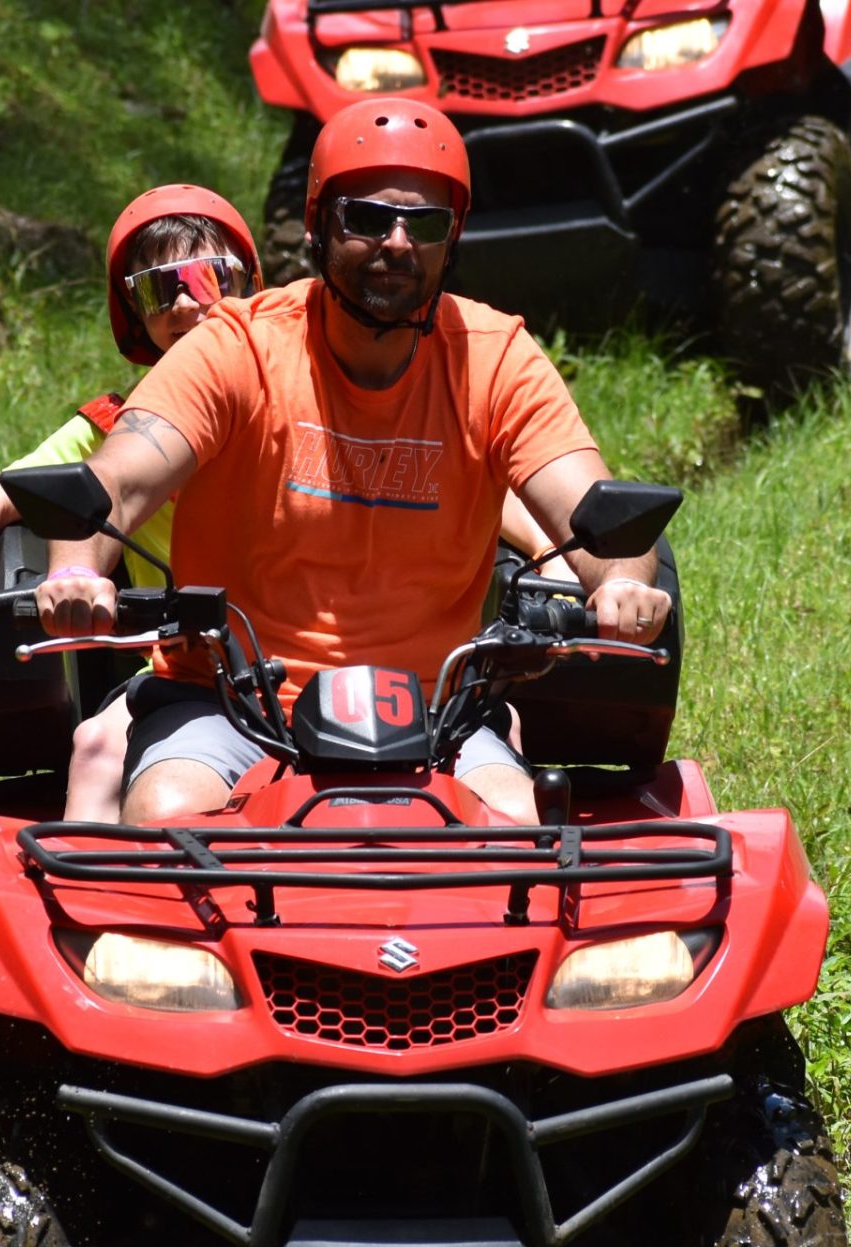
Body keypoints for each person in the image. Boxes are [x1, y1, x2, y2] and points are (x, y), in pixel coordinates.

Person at [33, 99, 673, 827]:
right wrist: (76, 571)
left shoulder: (498, 359)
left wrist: (623, 584)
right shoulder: (236, 346)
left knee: (526, 836)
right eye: (367, 218)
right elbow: (118, 479)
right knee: (166, 814)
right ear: (317, 227)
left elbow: (598, 511)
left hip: (439, 711)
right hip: (230, 701)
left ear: (452, 239)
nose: (397, 243)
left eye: (424, 223)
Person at [0, 184, 261, 822]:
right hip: (189, 668)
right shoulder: (111, 427)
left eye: (212, 277)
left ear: (249, 286)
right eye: (163, 289)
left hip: (328, 648)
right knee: (98, 746)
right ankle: (88, 913)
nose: (191, 302)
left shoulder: (300, 392)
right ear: (134, 311)